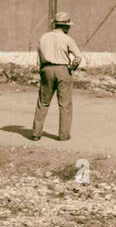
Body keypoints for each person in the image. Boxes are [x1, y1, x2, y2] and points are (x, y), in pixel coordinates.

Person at [31, 11, 81, 140]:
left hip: (46, 69)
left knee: (43, 102)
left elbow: (39, 57)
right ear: (65, 26)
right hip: (63, 70)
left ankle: (36, 133)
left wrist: (42, 70)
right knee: (65, 104)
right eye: (68, 25)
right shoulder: (67, 39)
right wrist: (71, 68)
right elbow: (78, 57)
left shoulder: (43, 37)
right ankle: (63, 135)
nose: (69, 27)